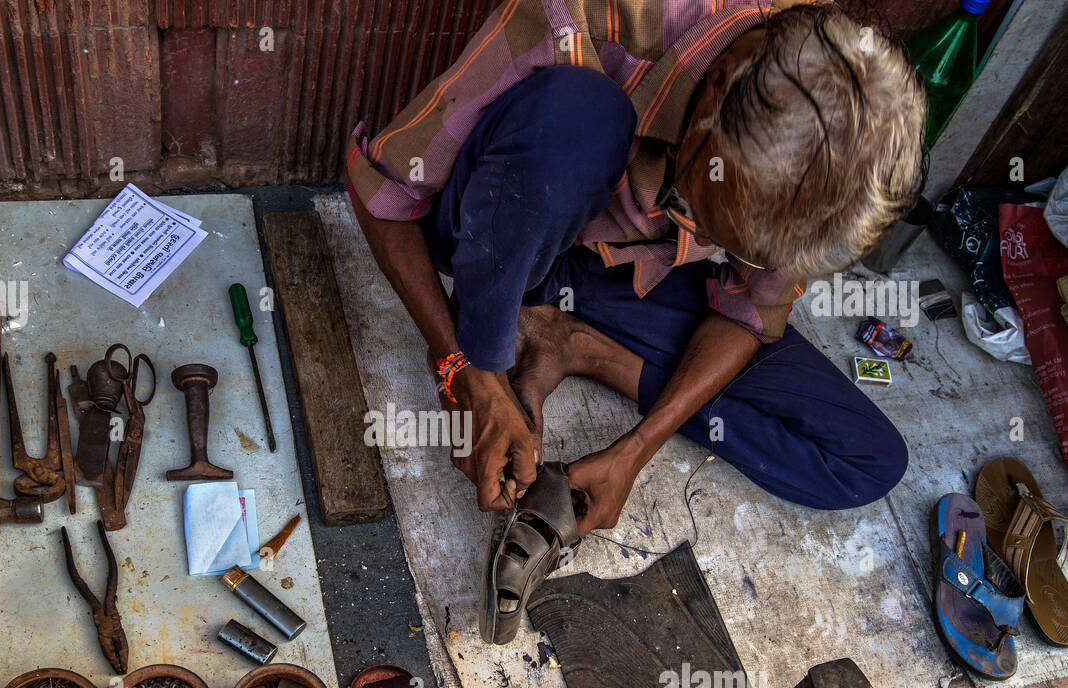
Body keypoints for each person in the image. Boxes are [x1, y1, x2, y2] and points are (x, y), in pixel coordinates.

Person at [347, 1, 927, 538]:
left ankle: (573, 342)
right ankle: (498, 327)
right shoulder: (578, 18)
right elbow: (385, 197)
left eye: (736, 249)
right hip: (514, 228)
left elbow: (750, 316)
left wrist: (635, 450)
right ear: (708, 107)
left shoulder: (828, 144)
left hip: (627, 279)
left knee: (864, 460)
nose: (703, 242)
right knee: (581, 115)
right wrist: (467, 370)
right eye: (696, 212)